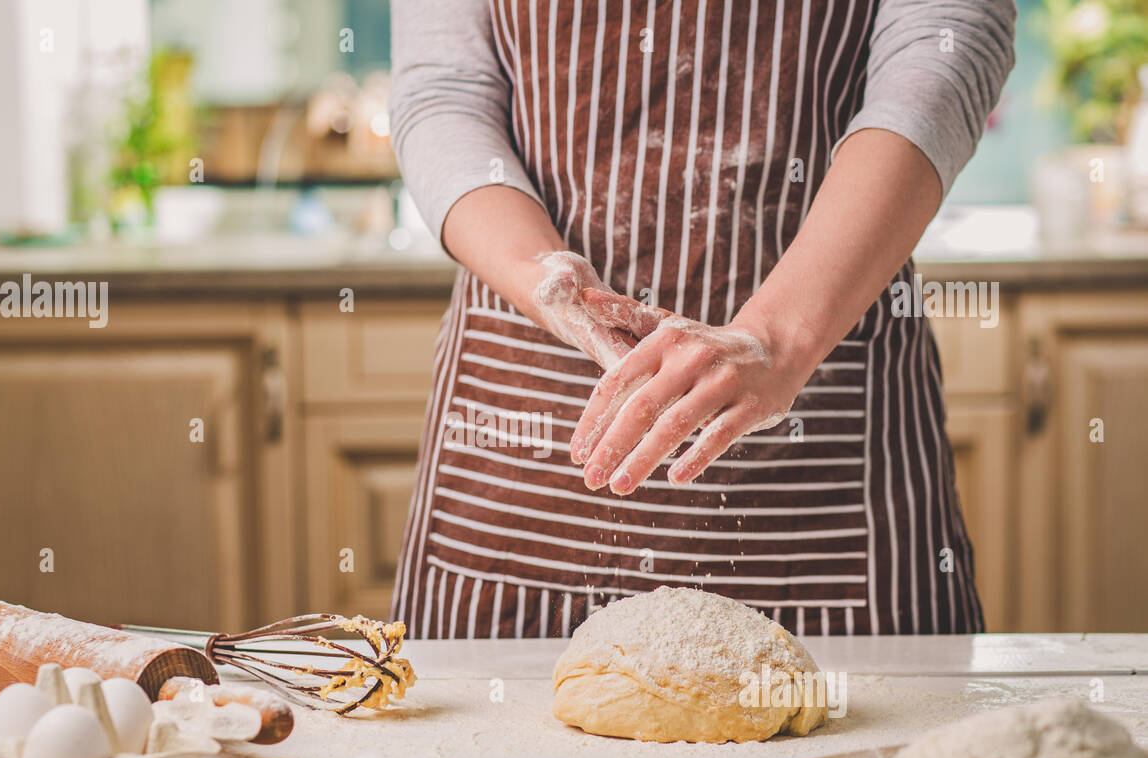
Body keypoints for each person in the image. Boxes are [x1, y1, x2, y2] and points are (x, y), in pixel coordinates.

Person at [388, 0, 1015, 638]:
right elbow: (445, 89)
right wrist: (536, 274)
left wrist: (775, 337)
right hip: (519, 448)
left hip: (818, 452)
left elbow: (941, 52)